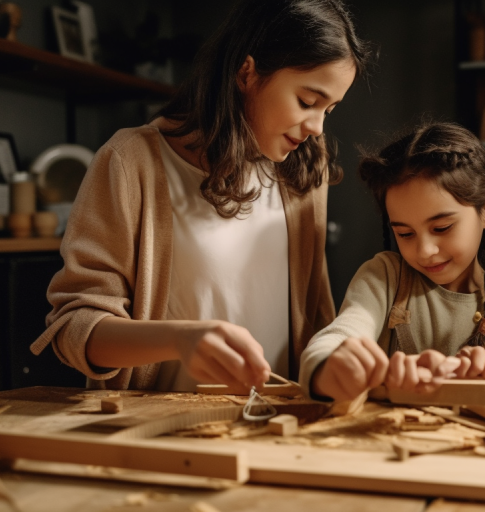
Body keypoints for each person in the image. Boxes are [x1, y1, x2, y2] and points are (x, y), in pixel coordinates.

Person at [29, 0, 371, 391]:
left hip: (281, 431)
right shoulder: (130, 161)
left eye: (329, 109)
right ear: (247, 72)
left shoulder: (306, 167)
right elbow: (73, 328)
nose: (316, 127)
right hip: (161, 436)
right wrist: (179, 339)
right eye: (308, 102)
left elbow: (316, 314)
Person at [301, 122, 485, 402]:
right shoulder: (385, 279)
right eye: (405, 233)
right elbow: (339, 336)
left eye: (441, 228)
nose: (425, 250)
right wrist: (331, 367)